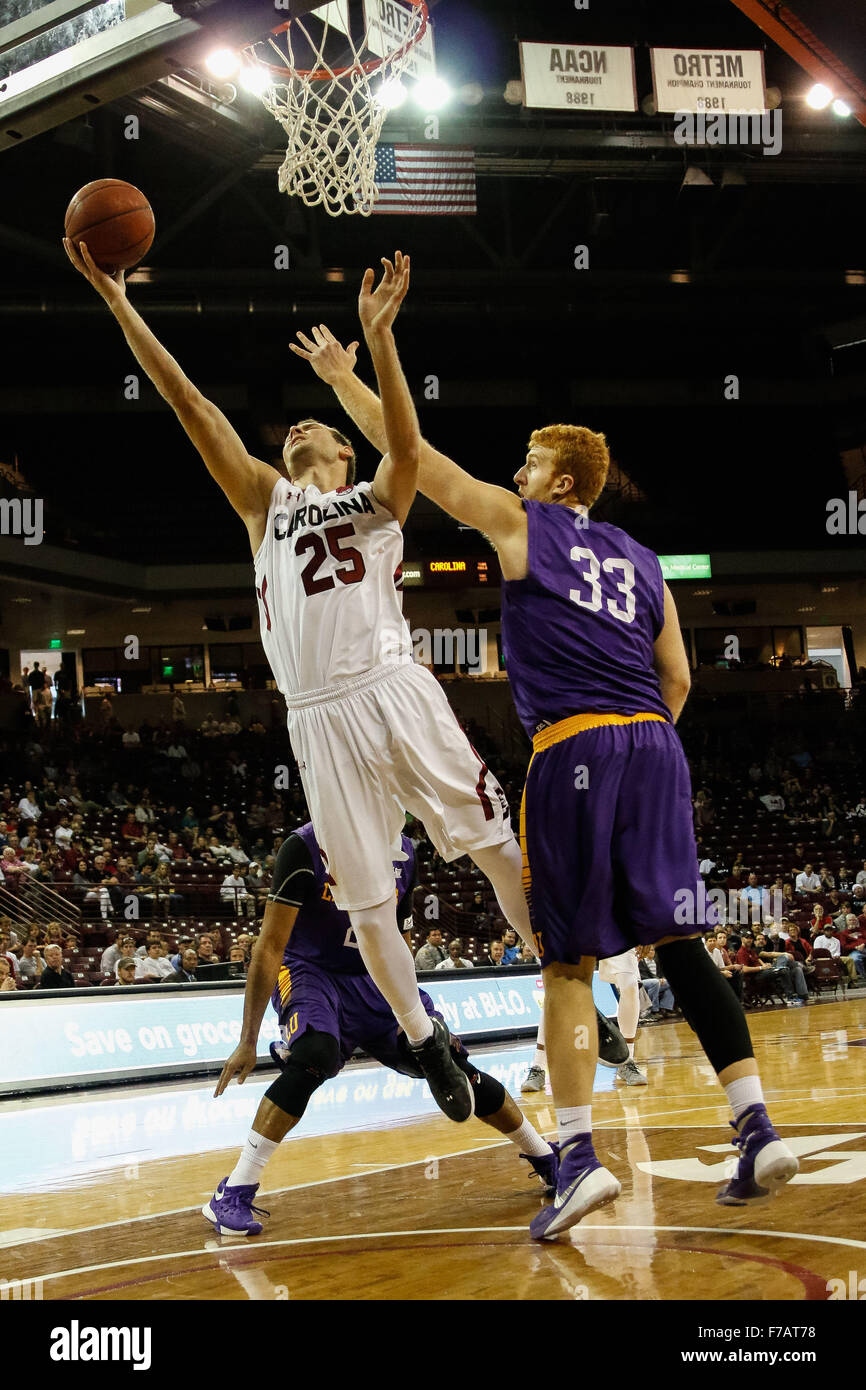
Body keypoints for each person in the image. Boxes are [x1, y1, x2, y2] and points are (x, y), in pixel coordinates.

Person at [301, 314, 799, 1238]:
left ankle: (576, 1159)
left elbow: (412, 454)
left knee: (565, 964)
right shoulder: (647, 562)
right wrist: (639, 754)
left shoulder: (521, 522)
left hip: (574, 749)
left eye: (528, 462)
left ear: (557, 482)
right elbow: (680, 680)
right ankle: (757, 1127)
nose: (517, 471)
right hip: (658, 745)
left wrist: (349, 372)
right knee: (681, 946)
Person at [67, 240, 542, 1128]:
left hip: (391, 685)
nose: (295, 430)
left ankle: (556, 963)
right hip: (316, 718)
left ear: (341, 451)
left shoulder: (381, 495)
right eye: (289, 427)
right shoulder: (261, 501)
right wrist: (119, 301)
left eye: (311, 427)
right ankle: (424, 1035)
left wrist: (378, 343)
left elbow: (406, 440)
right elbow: (188, 402)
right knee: (366, 904)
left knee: (488, 840)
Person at [205, 822, 558, 1236]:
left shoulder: (405, 851)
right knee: (314, 1057)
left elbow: (399, 938)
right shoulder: (303, 847)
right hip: (311, 971)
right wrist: (246, 1041)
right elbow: (269, 946)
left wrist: (413, 1004)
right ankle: (233, 1190)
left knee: (451, 1065)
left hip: (375, 974)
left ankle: (543, 1156)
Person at [598, 950, 647, 1086]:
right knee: (559, 985)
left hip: (615, 931)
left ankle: (626, 1060)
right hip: (577, 929)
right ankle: (539, 1064)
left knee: (630, 985)